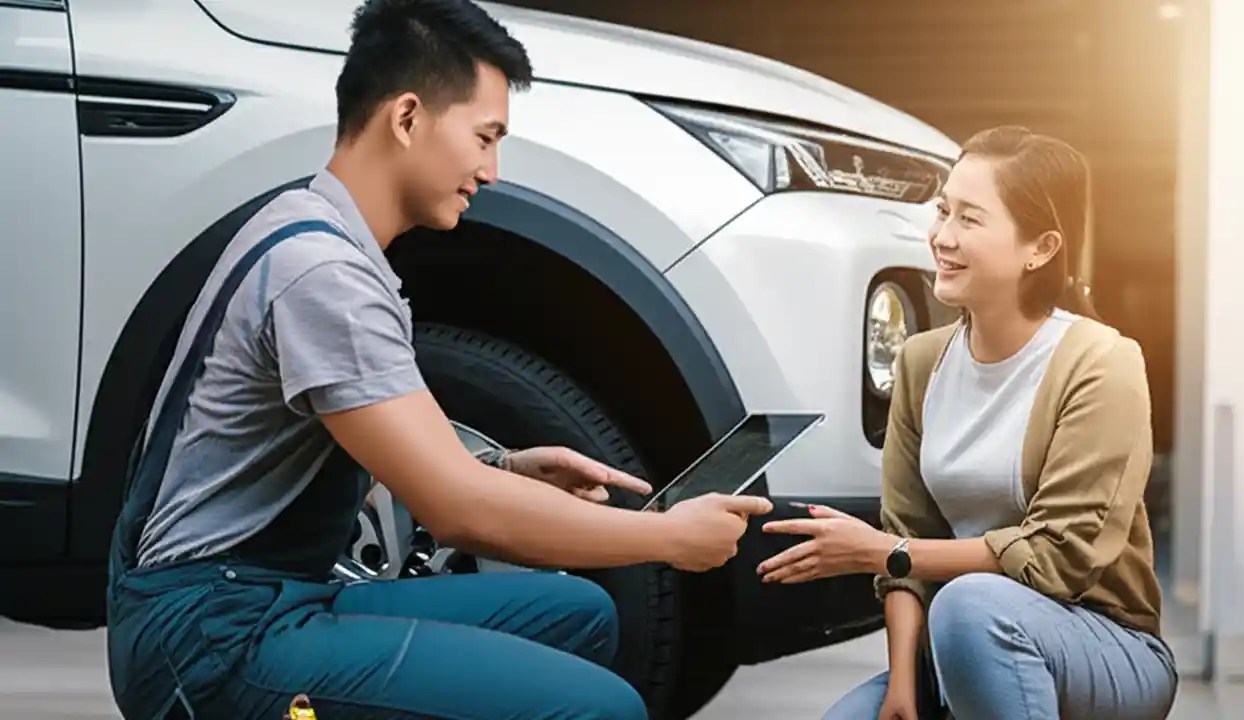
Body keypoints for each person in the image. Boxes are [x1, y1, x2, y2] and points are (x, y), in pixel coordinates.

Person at [104, 2, 772, 719]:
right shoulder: (322, 275)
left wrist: (504, 467)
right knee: (603, 709)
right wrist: (667, 538)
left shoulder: (316, 234)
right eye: (485, 137)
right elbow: (456, 512)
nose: (491, 170)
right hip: (211, 638)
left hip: (265, 597)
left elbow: (366, 438)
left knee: (577, 612)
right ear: (407, 117)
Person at [755, 126, 1177, 720]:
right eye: (942, 210)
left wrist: (889, 552)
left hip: (1104, 645)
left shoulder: (1102, 362)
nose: (941, 237)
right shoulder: (921, 362)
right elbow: (908, 529)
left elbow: (1058, 557)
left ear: (1041, 247)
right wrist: (905, 683)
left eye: (970, 220)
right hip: (956, 646)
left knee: (971, 606)